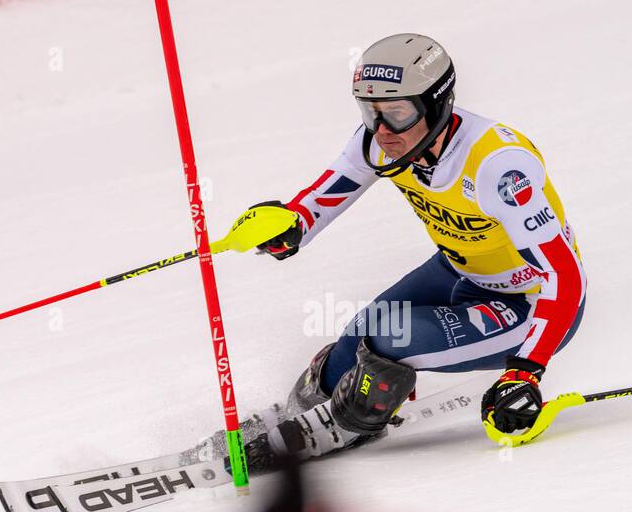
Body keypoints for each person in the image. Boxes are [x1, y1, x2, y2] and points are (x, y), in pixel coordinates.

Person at [235, 33, 586, 471]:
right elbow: (327, 193)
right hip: (460, 271)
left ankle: (340, 427)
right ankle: (299, 412)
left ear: (436, 104)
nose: (383, 131)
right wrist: (289, 226)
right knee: (358, 335)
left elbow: (565, 277)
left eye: (397, 113)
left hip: (529, 303)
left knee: (388, 341)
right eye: (371, 112)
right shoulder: (381, 140)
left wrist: (524, 371)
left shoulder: (498, 165)